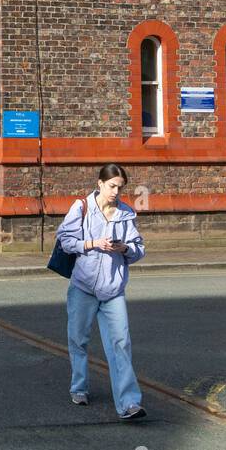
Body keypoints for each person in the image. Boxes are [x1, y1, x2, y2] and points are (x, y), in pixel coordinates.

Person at [55, 163, 146, 419]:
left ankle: (129, 403)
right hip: (83, 288)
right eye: (112, 186)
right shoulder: (81, 208)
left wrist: (125, 249)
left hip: (113, 290)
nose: (116, 192)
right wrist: (94, 243)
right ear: (100, 184)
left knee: (121, 344)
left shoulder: (126, 214)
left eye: (120, 187)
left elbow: (139, 249)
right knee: (78, 340)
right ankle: (79, 387)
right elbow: (66, 241)